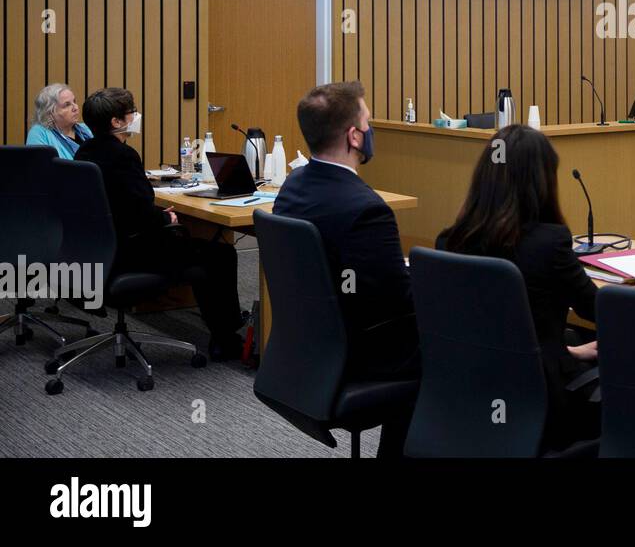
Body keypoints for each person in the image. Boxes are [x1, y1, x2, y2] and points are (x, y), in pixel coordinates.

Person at [272, 81, 417, 457]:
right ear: (354, 136)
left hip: (304, 346)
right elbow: (397, 303)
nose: (370, 131)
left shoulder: (292, 186)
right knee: (452, 348)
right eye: (367, 122)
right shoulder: (366, 208)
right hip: (359, 353)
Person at [437, 124, 599, 451]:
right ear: (540, 182)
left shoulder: (449, 241)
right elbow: (596, 309)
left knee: (573, 338)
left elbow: (496, 331)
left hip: (466, 393)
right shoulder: (549, 244)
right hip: (540, 403)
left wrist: (566, 351)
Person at [75, 87, 244, 359]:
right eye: (132, 112)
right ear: (116, 122)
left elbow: (119, 206)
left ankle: (220, 325)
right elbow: (138, 212)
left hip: (99, 250)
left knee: (202, 246)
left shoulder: (84, 152)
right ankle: (226, 338)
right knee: (219, 254)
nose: (136, 116)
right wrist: (165, 217)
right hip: (131, 252)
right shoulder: (123, 156)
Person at [26, 84, 92, 160]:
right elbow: (39, 166)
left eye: (74, 101)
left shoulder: (86, 128)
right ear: (49, 113)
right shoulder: (39, 132)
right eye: (67, 105)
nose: (75, 108)